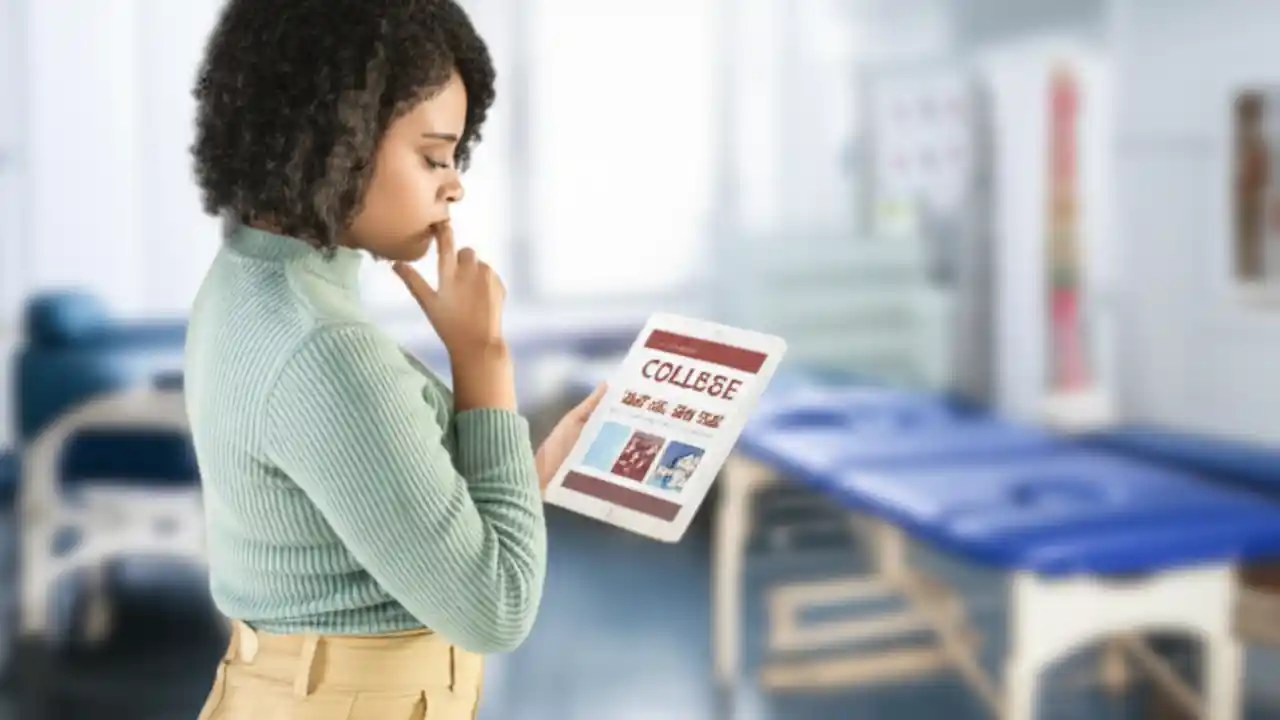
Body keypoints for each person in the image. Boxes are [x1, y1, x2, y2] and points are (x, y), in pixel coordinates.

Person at [184, 1, 603, 717]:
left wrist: (524, 478)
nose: (455, 184)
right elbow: (494, 610)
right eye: (434, 156)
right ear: (332, 140)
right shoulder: (327, 351)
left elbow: (382, 539)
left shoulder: (248, 279)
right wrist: (482, 359)